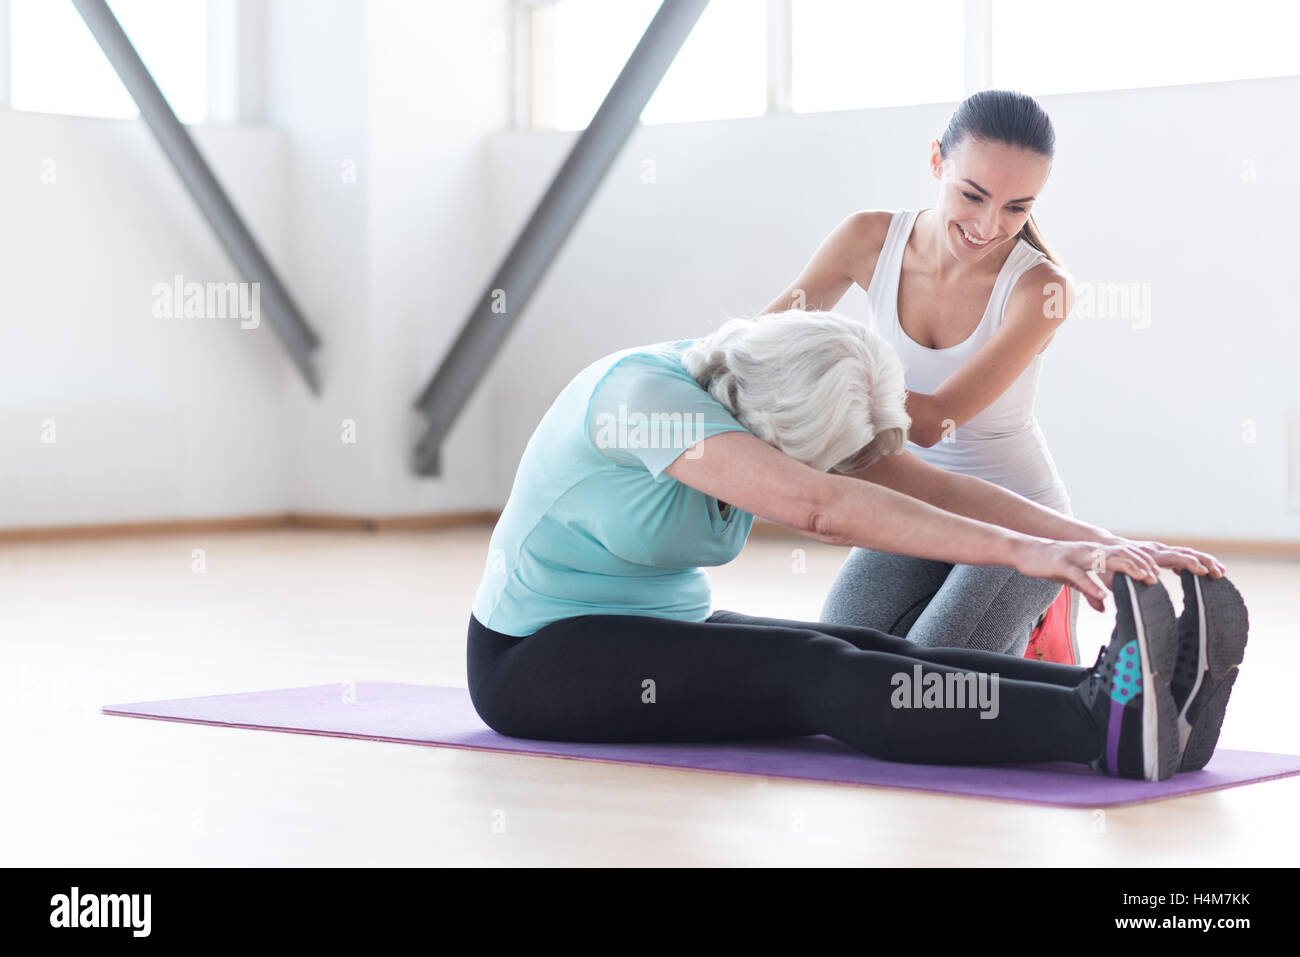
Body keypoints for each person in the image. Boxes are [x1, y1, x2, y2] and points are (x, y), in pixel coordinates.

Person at [467, 311, 1242, 781]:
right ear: (773, 430)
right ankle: (1093, 724)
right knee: (815, 673)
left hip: (659, 625)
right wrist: (1018, 554)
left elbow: (928, 484)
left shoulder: (752, 382)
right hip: (535, 656)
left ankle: (1138, 705)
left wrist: (1095, 542)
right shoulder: (644, 403)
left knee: (859, 644)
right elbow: (822, 506)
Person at [763, 89, 1082, 660]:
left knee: (930, 679)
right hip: (917, 502)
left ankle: (1045, 648)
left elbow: (936, 421)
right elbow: (766, 338)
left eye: (1017, 207)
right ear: (937, 161)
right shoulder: (868, 239)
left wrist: (825, 383)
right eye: (972, 195)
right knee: (840, 658)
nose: (988, 225)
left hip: (1020, 519)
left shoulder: (1043, 289)